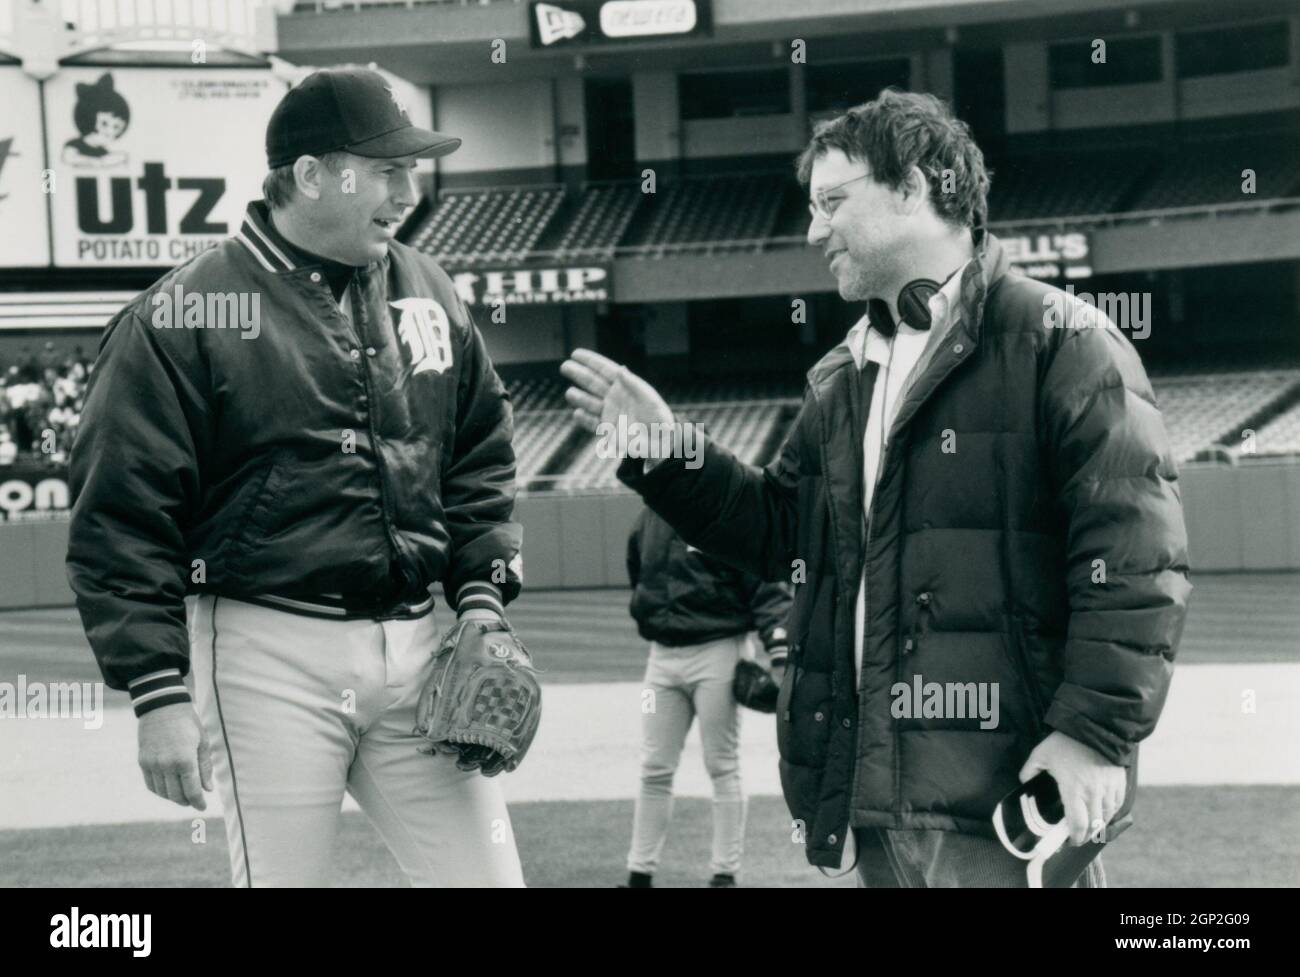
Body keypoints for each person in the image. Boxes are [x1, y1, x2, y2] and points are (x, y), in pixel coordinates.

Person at [562, 90, 1191, 888]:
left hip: (1000, 795)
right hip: (875, 791)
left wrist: (1094, 735)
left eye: (832, 202)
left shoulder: (1065, 343)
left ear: (918, 186)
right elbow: (782, 531)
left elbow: (1139, 562)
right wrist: (666, 451)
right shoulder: (842, 373)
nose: (813, 231)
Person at [68, 67, 526, 888]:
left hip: (422, 642)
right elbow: (121, 517)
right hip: (264, 649)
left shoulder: (428, 287)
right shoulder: (186, 312)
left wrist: (483, 599)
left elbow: (478, 459)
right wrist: (156, 690)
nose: (408, 190)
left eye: (410, 168)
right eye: (386, 170)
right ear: (310, 174)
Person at [623, 506, 792, 888]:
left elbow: (766, 585)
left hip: (718, 650)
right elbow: (639, 573)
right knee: (654, 767)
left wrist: (779, 652)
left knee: (721, 765)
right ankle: (639, 875)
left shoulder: (723, 511)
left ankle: (724, 874)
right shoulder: (649, 514)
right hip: (661, 656)